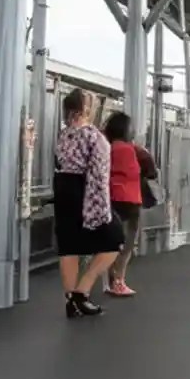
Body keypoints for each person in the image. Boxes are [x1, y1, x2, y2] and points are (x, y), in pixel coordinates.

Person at [53, 89, 124, 318]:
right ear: (86, 109)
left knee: (69, 246)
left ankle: (70, 301)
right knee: (114, 238)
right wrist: (99, 209)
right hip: (86, 190)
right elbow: (98, 175)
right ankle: (82, 292)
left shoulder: (64, 135)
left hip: (63, 191)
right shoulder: (94, 137)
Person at [102, 111, 146, 298]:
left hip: (111, 197)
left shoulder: (106, 148)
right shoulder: (133, 149)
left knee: (112, 240)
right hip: (131, 200)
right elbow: (151, 168)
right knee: (128, 243)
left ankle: (109, 279)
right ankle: (119, 281)